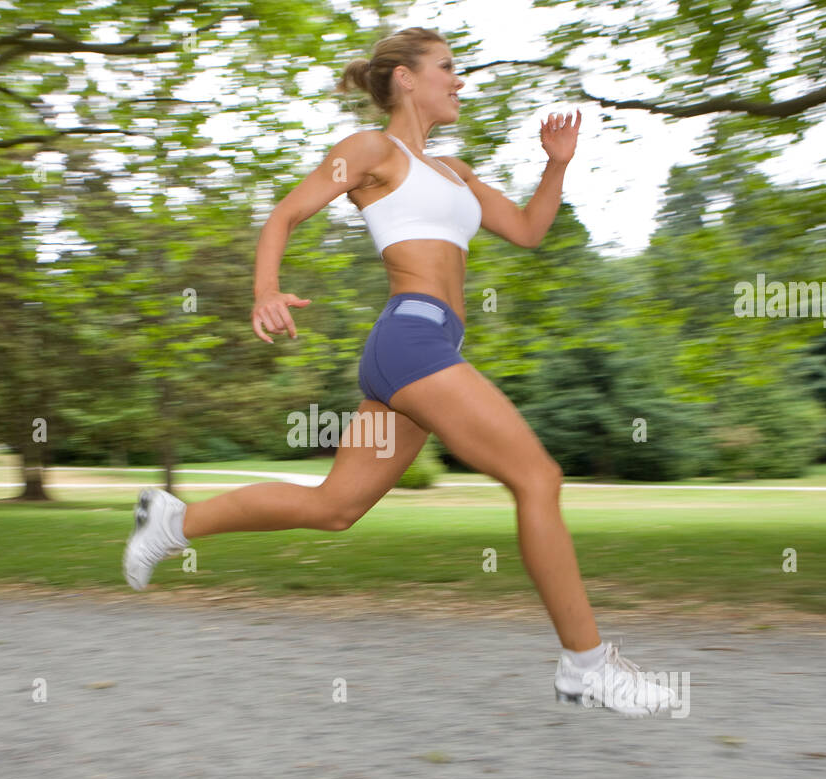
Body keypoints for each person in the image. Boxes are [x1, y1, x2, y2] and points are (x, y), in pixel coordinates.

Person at [125, 27, 677, 717]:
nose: (460, 80)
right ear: (405, 79)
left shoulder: (458, 172)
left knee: (335, 507)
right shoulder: (370, 151)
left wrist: (556, 164)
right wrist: (266, 290)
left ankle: (174, 523)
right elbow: (285, 215)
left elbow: (532, 231)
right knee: (538, 477)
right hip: (410, 341)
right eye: (448, 67)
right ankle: (586, 666)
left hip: (424, 350)